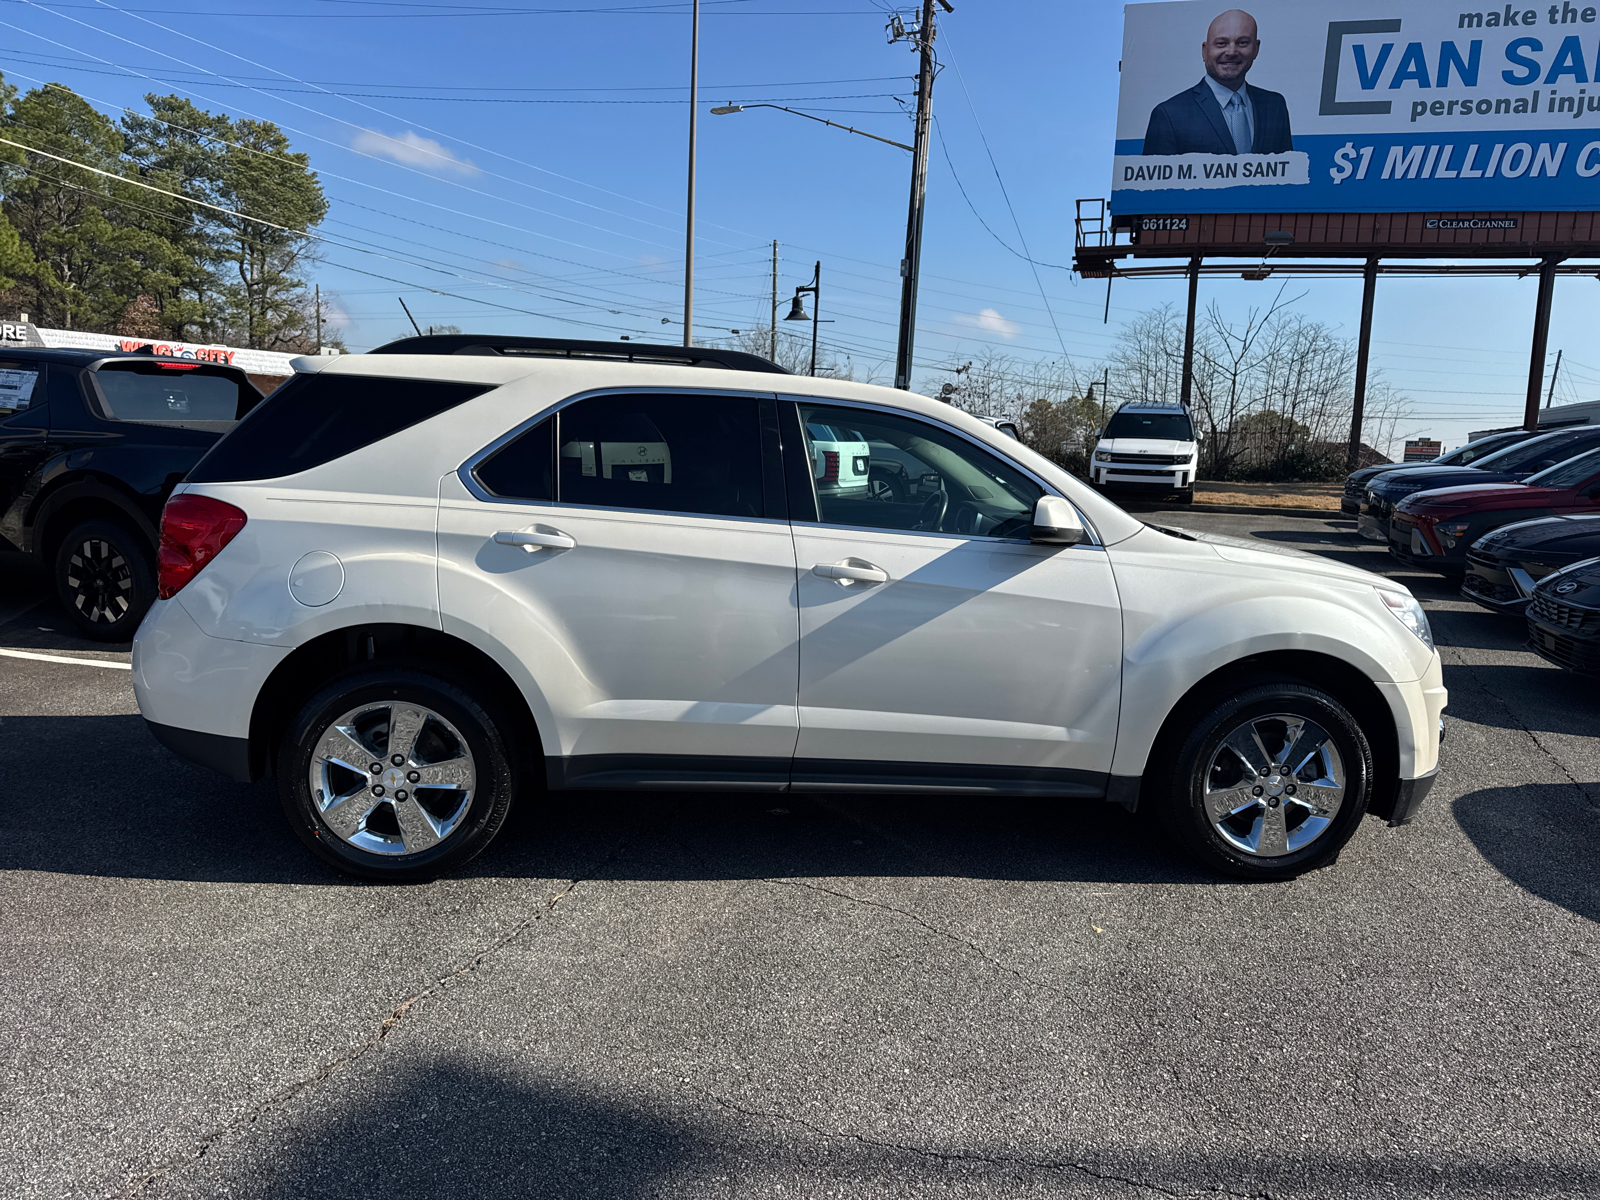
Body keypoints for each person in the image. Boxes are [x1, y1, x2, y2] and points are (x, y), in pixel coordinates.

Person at [1142, 9, 1293, 156]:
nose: (1232, 52)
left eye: (1242, 43)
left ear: (1256, 49)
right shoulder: (1169, 115)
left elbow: (1288, 176)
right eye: (1221, 43)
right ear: (1205, 51)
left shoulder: (1275, 106)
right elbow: (1153, 180)